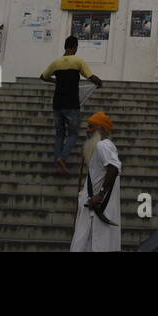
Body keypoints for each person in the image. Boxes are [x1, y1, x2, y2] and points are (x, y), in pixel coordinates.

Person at [40, 36, 103, 174]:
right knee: (73, 134)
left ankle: (57, 163)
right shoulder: (78, 61)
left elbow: (43, 77)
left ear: (65, 46)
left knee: (59, 135)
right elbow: (90, 76)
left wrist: (55, 82)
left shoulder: (56, 63)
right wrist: (99, 82)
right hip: (72, 104)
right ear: (75, 47)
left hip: (57, 104)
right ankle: (62, 158)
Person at [70, 112, 121, 252]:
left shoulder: (103, 145)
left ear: (102, 129)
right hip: (92, 210)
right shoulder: (99, 147)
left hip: (98, 209)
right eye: (87, 127)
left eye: (91, 127)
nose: (87, 130)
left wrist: (100, 195)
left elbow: (114, 168)